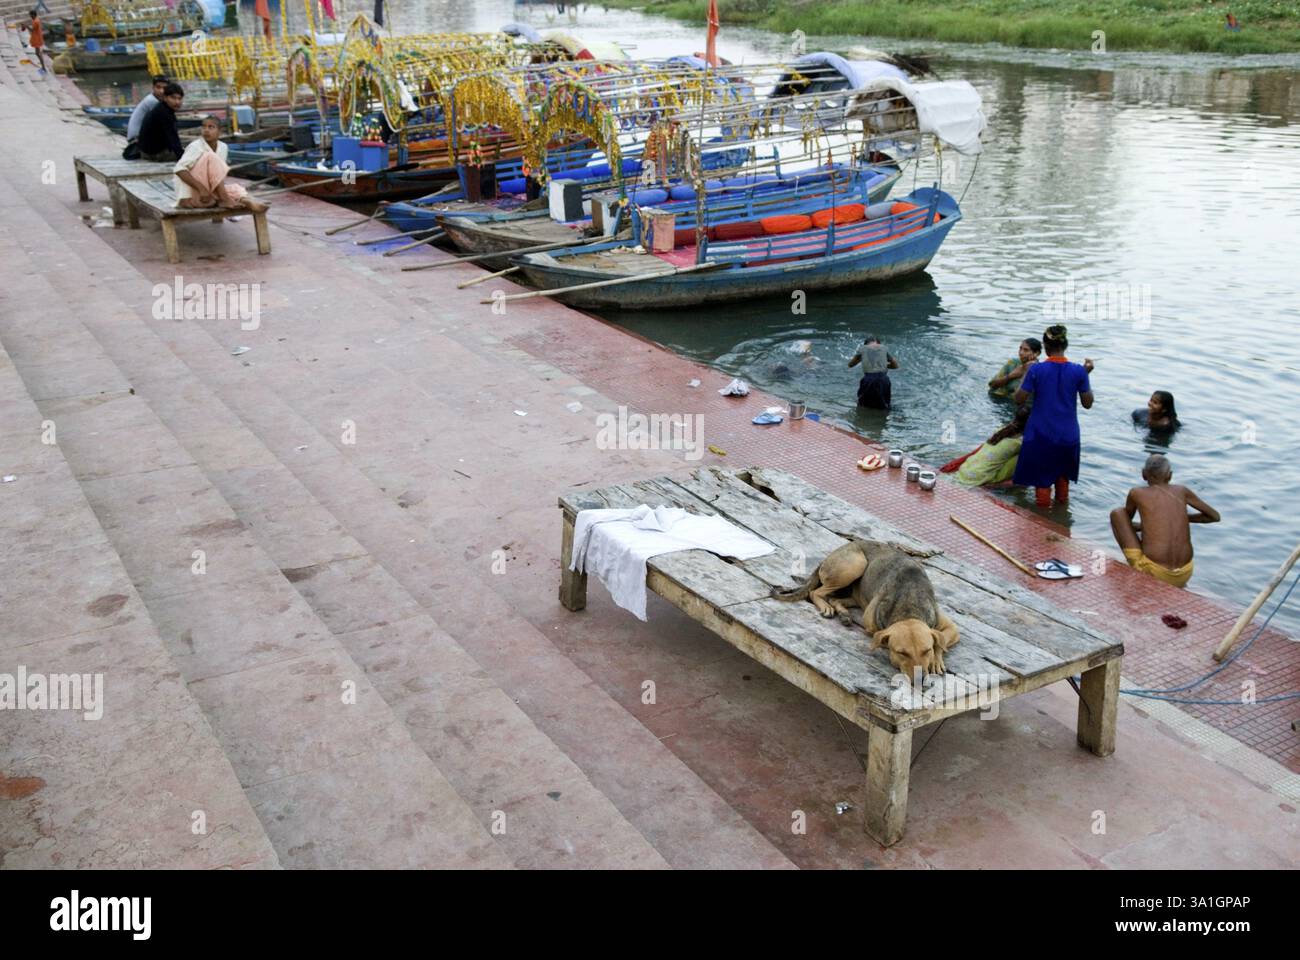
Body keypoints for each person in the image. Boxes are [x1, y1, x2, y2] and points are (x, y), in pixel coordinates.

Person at [1012, 324, 1094, 507]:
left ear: (1045, 347)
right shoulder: (1078, 371)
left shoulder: (1036, 370)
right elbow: (1088, 403)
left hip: (1041, 434)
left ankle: (1043, 522)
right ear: (1065, 345)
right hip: (1068, 435)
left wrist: (1026, 373)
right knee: (1062, 479)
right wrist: (1085, 375)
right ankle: (1061, 522)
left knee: (1042, 482)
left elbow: (1019, 398)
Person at [1110, 454, 1219, 588]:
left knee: (1117, 514)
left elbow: (1126, 522)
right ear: (1170, 475)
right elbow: (1214, 516)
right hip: (1186, 572)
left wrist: (1147, 525)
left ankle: (1139, 572)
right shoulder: (1182, 490)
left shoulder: (1136, 493)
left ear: (1144, 474)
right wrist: (1181, 517)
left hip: (1154, 573)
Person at [173, 116, 267, 211]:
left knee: (236, 188)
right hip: (190, 195)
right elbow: (179, 169)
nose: (206, 130)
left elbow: (217, 175)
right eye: (204, 127)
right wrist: (202, 189)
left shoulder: (223, 147)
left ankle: (245, 201)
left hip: (206, 193)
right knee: (210, 156)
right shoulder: (196, 146)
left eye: (211, 127)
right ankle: (224, 199)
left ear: (220, 131)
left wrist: (210, 191)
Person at [946, 406, 1030, 488]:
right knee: (1026, 456)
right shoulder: (1020, 442)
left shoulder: (1002, 430)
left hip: (965, 469)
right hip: (980, 477)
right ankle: (1020, 483)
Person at [136, 82, 185, 162]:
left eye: (179, 99)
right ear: (165, 98)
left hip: (146, 151)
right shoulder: (165, 113)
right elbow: (173, 138)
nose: (177, 102)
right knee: (194, 156)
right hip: (154, 154)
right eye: (173, 98)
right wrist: (182, 157)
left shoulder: (161, 108)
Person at [849, 334, 898, 410]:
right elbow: (895, 365)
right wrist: (883, 365)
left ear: (866, 344)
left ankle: (863, 417)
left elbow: (850, 364)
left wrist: (861, 359)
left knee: (862, 404)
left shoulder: (863, 348)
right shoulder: (884, 348)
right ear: (879, 343)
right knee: (885, 405)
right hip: (884, 380)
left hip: (869, 380)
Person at [126, 75, 169, 145]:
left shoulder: (154, 99)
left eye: (164, 88)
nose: (161, 91)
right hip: (135, 140)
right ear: (153, 88)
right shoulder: (152, 101)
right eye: (158, 87)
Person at [26, 10, 51, 75]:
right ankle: (43, 68)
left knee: (38, 54)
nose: (30, 17)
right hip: (37, 38)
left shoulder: (36, 22)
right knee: (37, 53)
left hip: (37, 39)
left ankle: (43, 68)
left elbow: (32, 30)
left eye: (30, 15)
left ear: (33, 15)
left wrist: (26, 26)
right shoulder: (36, 20)